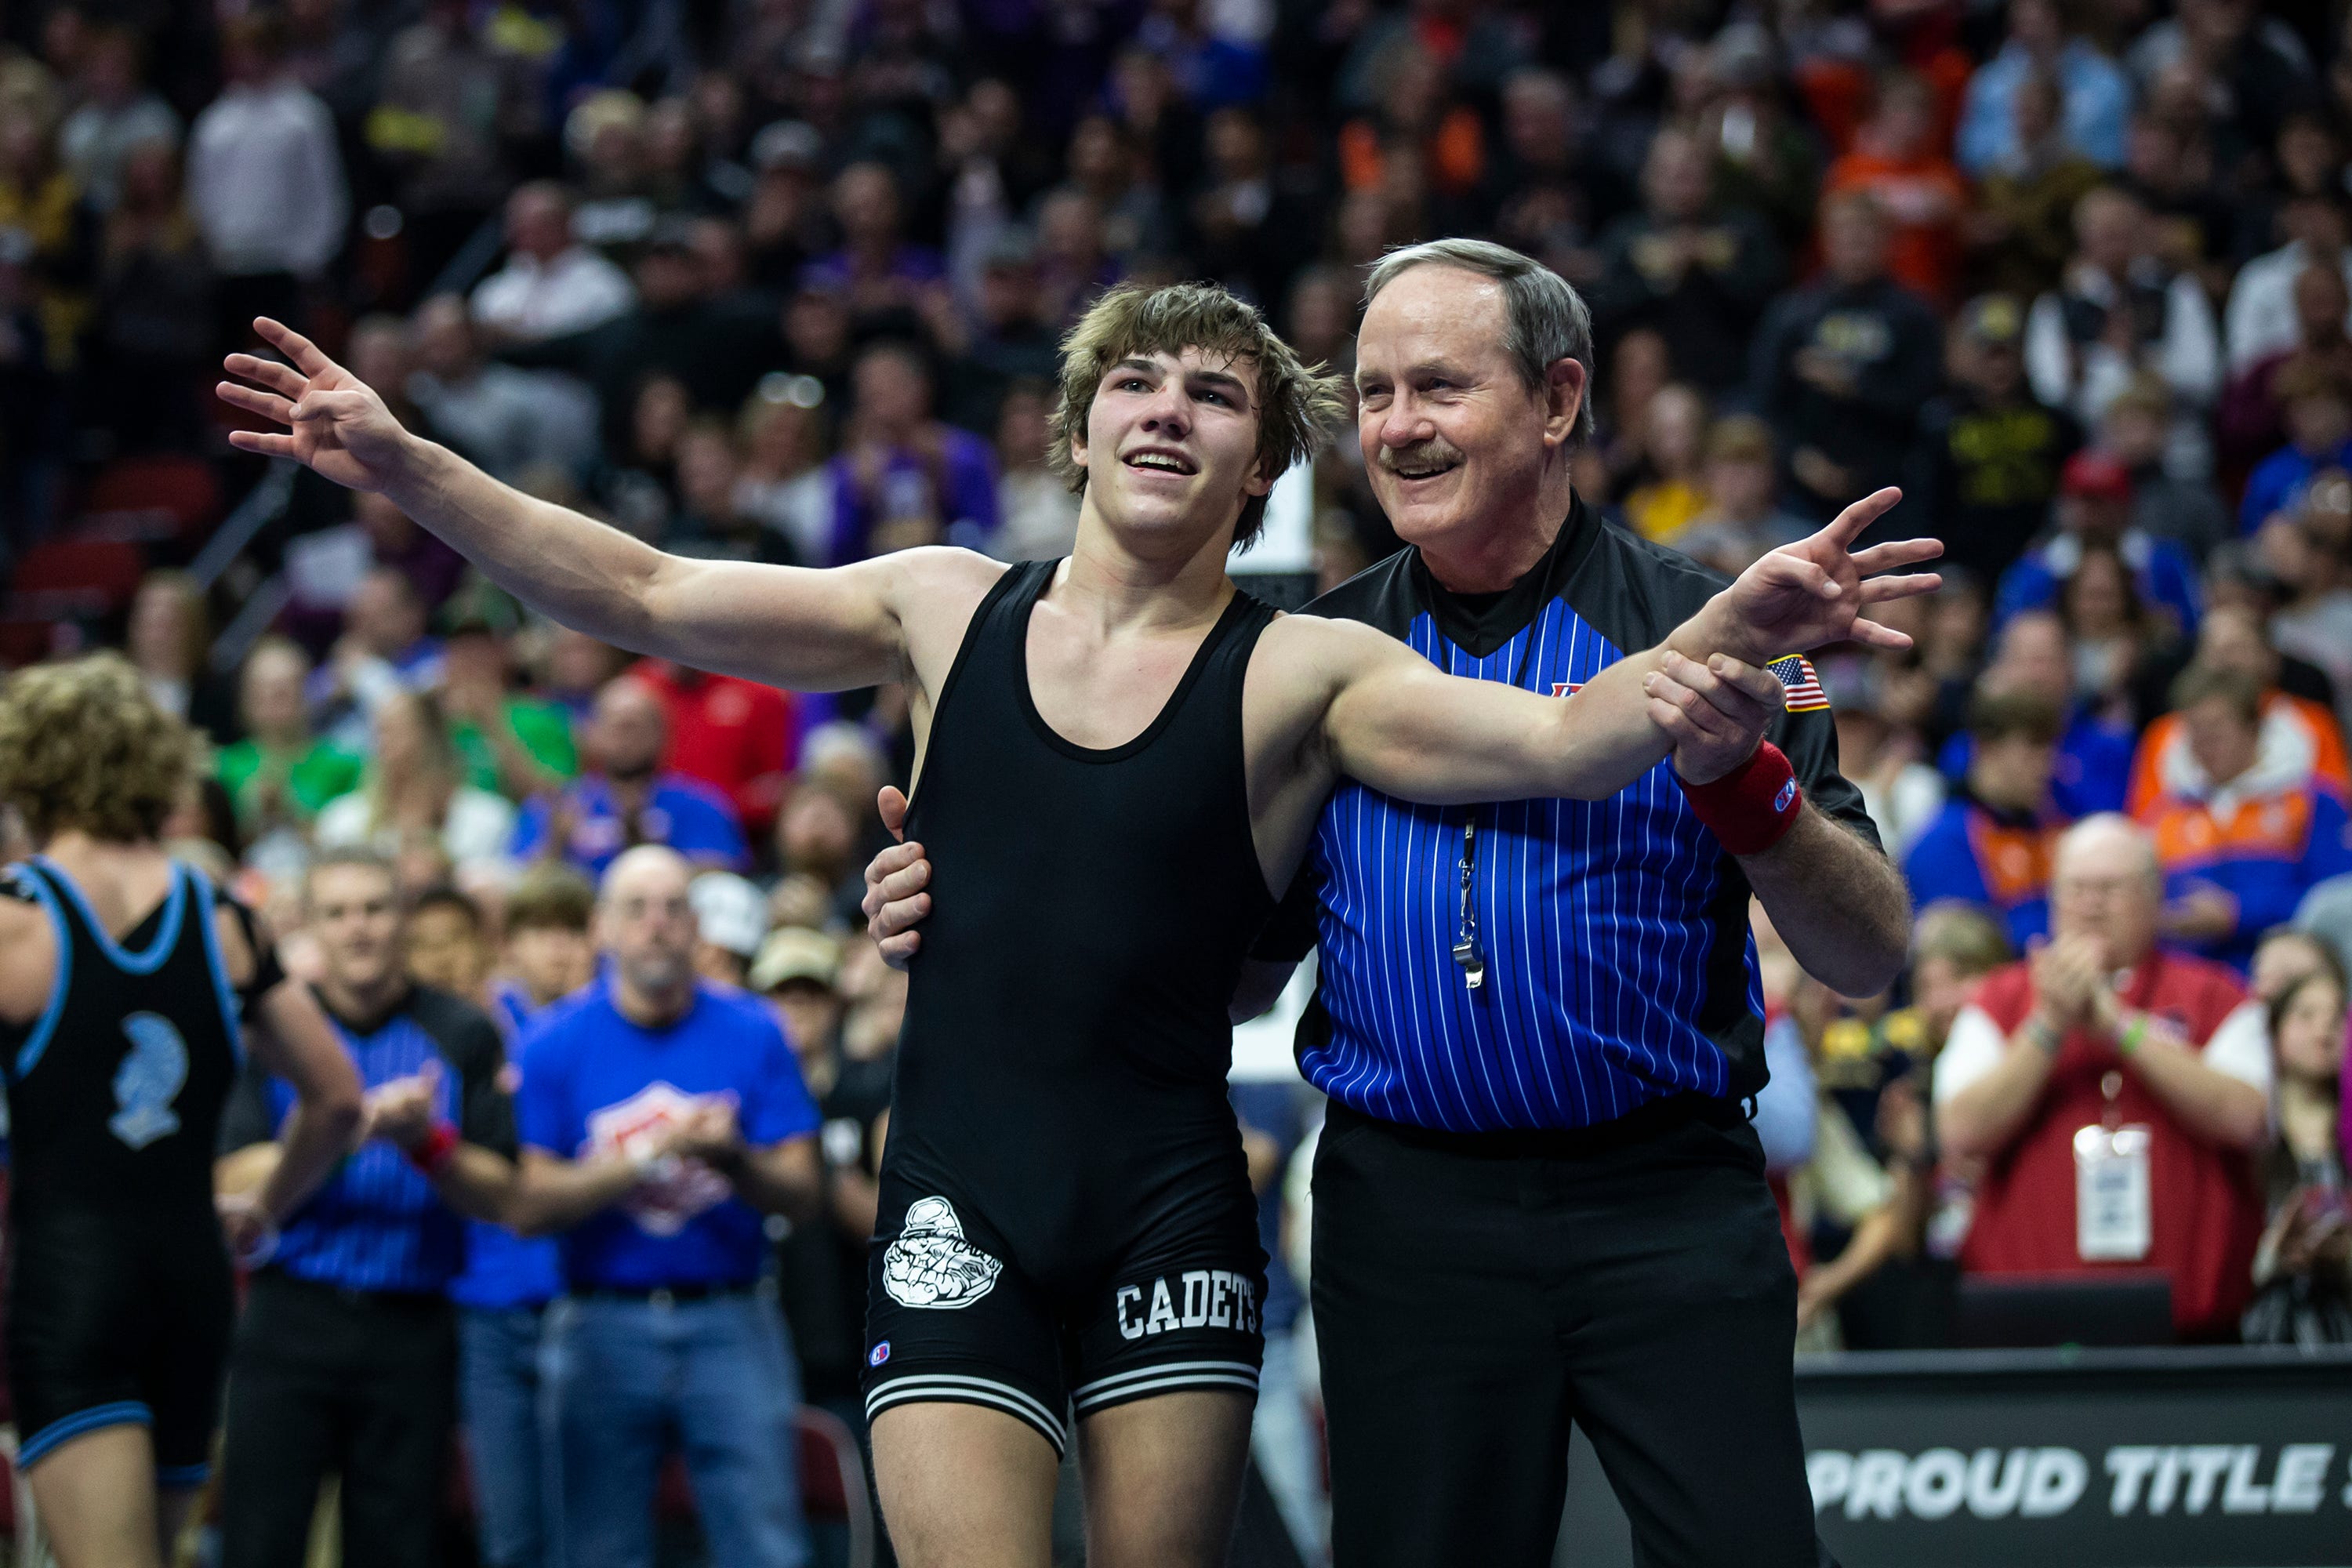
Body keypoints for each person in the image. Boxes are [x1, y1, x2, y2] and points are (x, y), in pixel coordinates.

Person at [220, 259, 1940, 1568]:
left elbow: (1573, 740)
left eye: (1213, 390)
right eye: (1135, 379)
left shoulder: (1314, 662)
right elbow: (649, 588)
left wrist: (1728, 636)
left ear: (1264, 459)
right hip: (1025, 1187)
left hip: (1216, 1204)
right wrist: (411, 466)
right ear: (1079, 422)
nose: (1168, 408)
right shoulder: (940, 603)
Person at [855, 245, 1937, 1568]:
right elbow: (1230, 974)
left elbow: (1868, 949)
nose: (1397, 427)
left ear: (1556, 402)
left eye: (1439, 386)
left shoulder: (1704, 634)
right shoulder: (1299, 658)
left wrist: (1745, 787)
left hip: (1664, 1205)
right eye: (1373, 392)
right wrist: (978, 896)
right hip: (1408, 1220)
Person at [0, 654, 365, 1568]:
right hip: (193, 1278)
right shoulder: (223, 917)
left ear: (29, 766)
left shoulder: (18, 921)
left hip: (70, 1279)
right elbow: (338, 1098)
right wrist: (267, 1211)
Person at [516, 846, 823, 1568]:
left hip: (732, 1315)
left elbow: (803, 1191)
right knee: (597, 1548)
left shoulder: (754, 1032)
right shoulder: (552, 1043)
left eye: (674, 908)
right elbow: (528, 1203)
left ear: (697, 929)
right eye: (636, 909)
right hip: (599, 1321)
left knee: (767, 1546)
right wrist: (645, 1158)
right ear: (602, 929)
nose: (656, 925)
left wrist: (733, 1158)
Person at [211, 848, 517, 1568]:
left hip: (413, 1324)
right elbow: (234, 1179)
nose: (360, 930)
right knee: (260, 1541)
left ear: (404, 921)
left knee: (400, 1547)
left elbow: (506, 1196)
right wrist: (334, 1129)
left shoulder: (463, 1030)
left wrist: (428, 1144)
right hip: (291, 1315)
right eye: (339, 913)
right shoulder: (272, 1029)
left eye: (376, 910)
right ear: (311, 927)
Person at [1935, 815, 2271, 1341]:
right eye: (2076, 889)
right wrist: (2049, 1024)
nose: (2091, 904)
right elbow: (1961, 1130)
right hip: (2029, 1325)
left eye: (2111, 889)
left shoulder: (2218, 995)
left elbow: (2247, 1118)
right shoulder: (1998, 1000)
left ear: (2155, 898)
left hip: (2192, 1327)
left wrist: (2116, 1024)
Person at [2136, 665, 2352, 973]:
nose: (2203, 745)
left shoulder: (2312, 801)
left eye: (2216, 730)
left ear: (2254, 728)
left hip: (2288, 982)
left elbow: (2336, 905)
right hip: (2188, 989)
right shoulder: (2162, 814)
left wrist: (2237, 914)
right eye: (2194, 732)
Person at [510, 675, 749, 879]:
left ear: (662, 733)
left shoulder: (700, 803)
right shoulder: (560, 804)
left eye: (636, 727)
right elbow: (521, 881)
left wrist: (650, 854)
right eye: (617, 727)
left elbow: (724, 878)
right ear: (594, 734)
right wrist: (556, 843)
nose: (627, 739)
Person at [1904, 684, 2067, 949]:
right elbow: (1977, 947)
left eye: (2050, 749)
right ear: (1986, 748)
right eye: (2033, 748)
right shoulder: (1942, 842)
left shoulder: (2054, 825)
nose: (2048, 765)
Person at [2241, 961, 2352, 1342]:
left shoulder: (2348, 1136)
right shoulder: (2247, 1129)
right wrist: (2272, 1255)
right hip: (2263, 1328)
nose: (2324, 1029)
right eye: (2306, 1016)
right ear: (2274, 1031)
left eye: (2336, 1018)